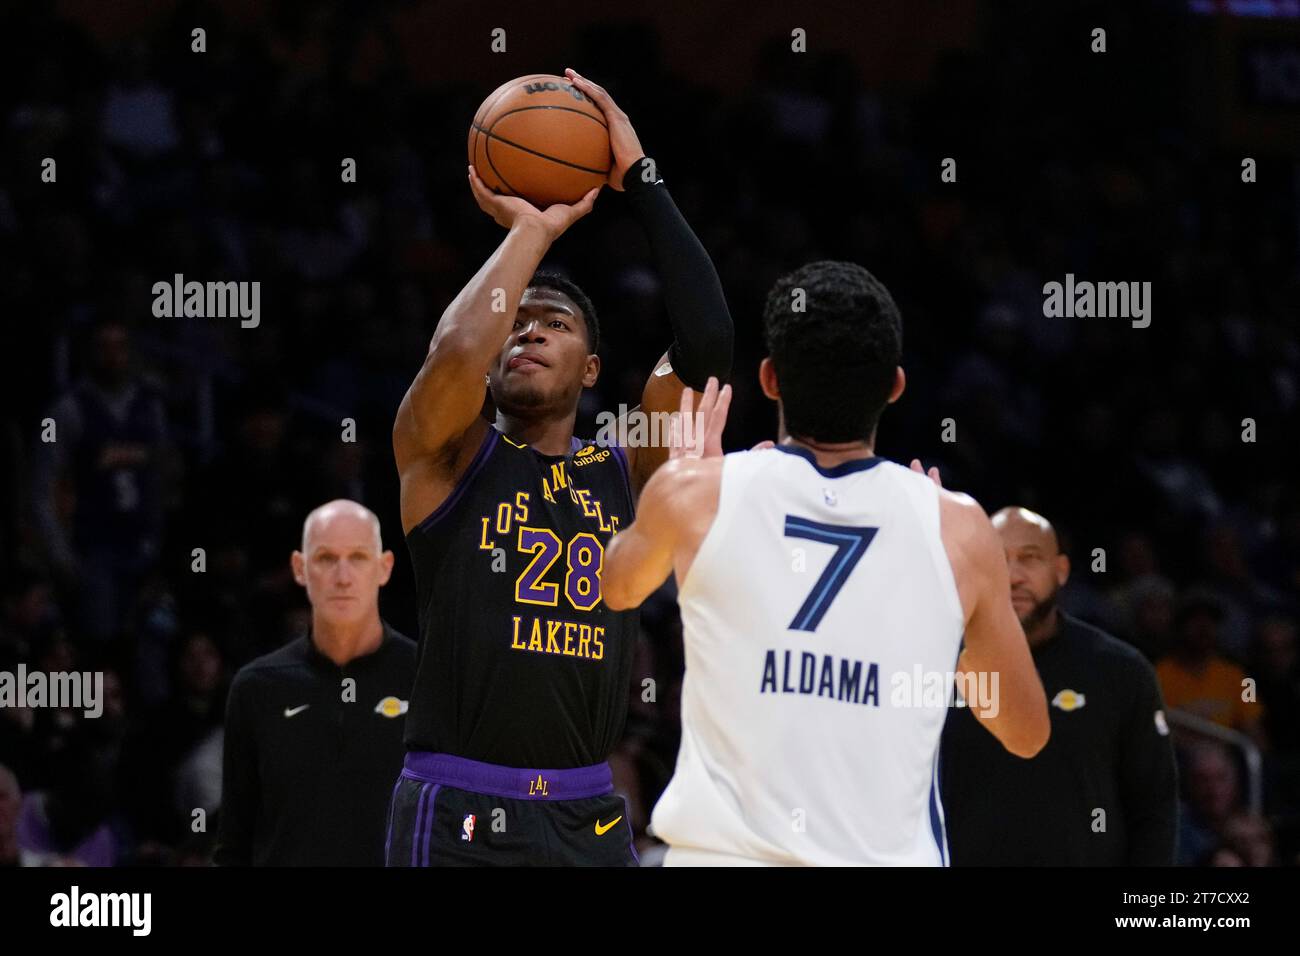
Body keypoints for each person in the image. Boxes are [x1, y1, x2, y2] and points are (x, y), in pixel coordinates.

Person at [387, 68, 733, 866]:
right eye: (519, 321)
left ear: (590, 369)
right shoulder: (446, 456)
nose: (527, 332)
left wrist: (641, 180)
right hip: (457, 801)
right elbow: (455, 350)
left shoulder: (629, 470)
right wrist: (530, 234)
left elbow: (709, 347)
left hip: (587, 808)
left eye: (555, 323)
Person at [600, 260, 1049, 865]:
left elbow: (617, 586)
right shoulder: (959, 529)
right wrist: (950, 613)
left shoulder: (695, 496)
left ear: (769, 379)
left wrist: (679, 484)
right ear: (894, 385)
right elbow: (1025, 732)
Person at [940, 506, 1179, 865]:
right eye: (998, 559)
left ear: (1061, 570)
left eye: (1030, 559)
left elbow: (1154, 806)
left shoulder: (1119, 670)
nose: (1013, 576)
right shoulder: (934, 663)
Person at [214, 500, 416, 866]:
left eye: (358, 557)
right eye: (325, 558)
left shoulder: (424, 677)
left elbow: (457, 826)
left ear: (384, 567)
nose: (342, 576)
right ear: (300, 568)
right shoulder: (257, 687)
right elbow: (233, 843)